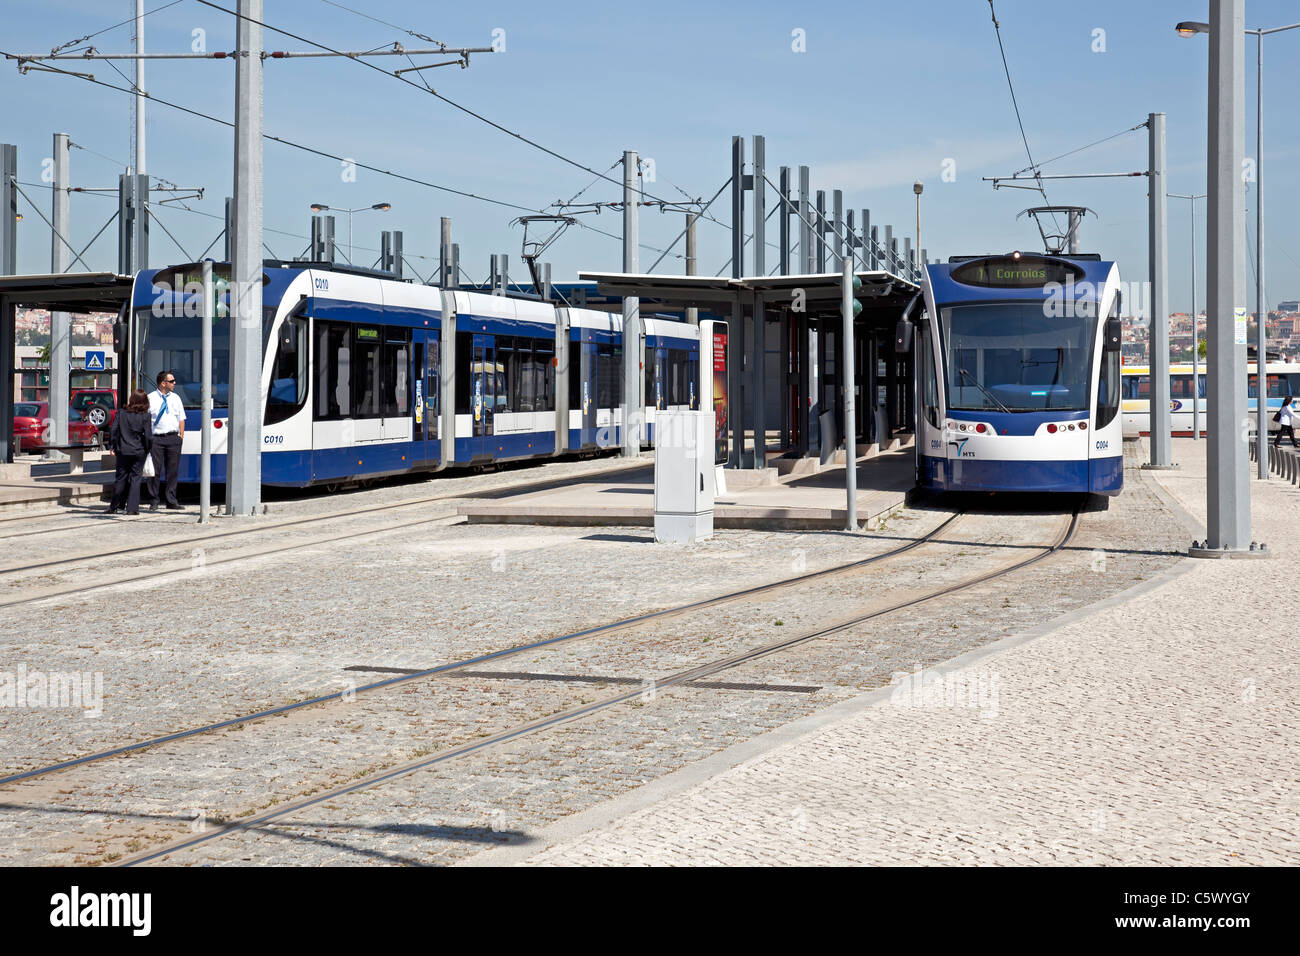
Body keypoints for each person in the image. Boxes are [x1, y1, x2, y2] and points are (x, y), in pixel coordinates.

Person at [107, 389, 153, 515]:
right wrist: (148, 449)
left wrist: (112, 446)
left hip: (122, 450)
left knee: (120, 478)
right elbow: (148, 436)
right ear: (145, 402)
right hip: (139, 451)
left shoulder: (121, 413)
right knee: (135, 478)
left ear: (131, 400)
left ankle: (114, 506)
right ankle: (132, 509)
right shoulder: (146, 416)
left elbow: (113, 431)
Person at [147, 370, 185, 511]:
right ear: (163, 383)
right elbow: (146, 419)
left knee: (172, 471)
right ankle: (154, 501)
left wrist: (181, 436)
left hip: (173, 438)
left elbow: (181, 418)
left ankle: (171, 500)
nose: (175, 383)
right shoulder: (150, 398)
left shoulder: (176, 398)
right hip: (156, 438)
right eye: (172, 381)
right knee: (154, 471)